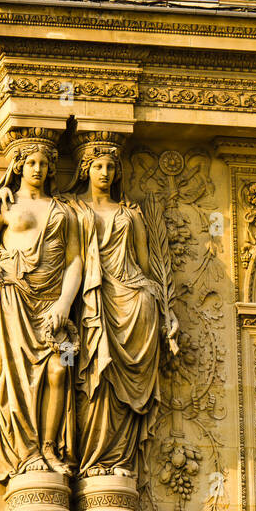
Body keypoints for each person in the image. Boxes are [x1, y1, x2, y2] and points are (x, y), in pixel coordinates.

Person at [0, 131, 82, 480]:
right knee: (16, 379)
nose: (37, 168)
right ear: (19, 166)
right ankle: (27, 453)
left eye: (44, 163)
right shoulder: (6, 207)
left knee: (60, 368)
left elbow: (75, 262)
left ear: (51, 168)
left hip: (50, 304)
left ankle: (49, 447)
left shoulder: (64, 211)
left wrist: (63, 303)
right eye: (31, 163)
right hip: (10, 296)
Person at [65, 133, 178, 480]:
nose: (105, 172)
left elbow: (148, 266)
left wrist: (167, 311)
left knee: (126, 389)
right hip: (92, 301)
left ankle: (120, 458)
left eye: (111, 167)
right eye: (98, 165)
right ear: (85, 169)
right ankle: (93, 460)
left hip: (135, 298)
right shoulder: (71, 207)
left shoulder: (131, 213)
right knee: (96, 376)